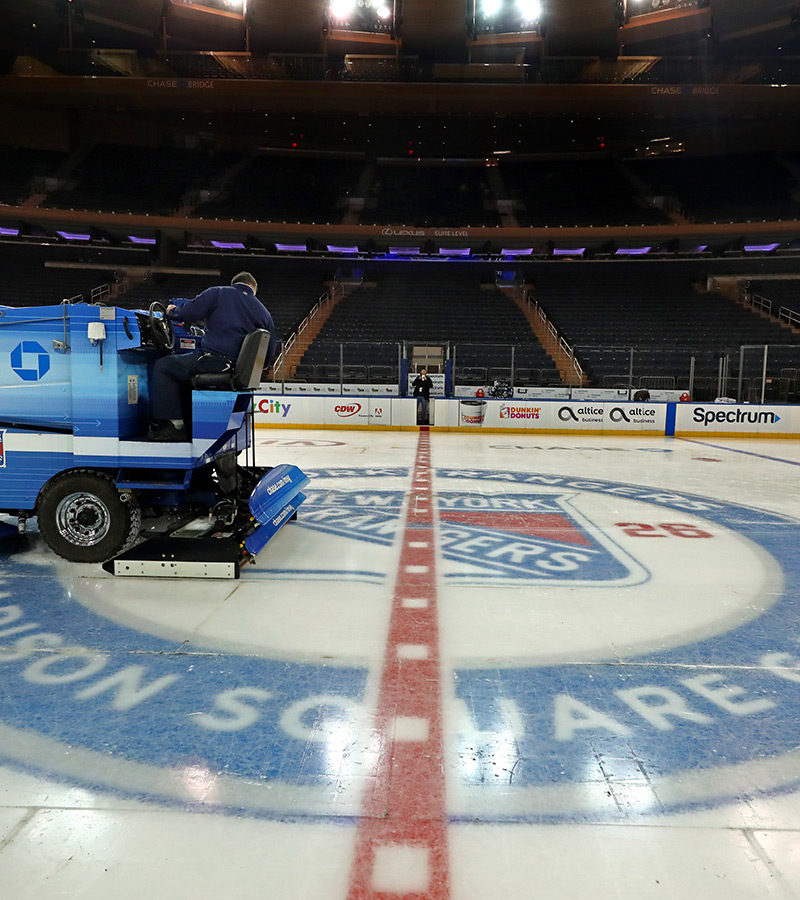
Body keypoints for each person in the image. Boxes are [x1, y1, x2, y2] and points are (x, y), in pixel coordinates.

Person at [148, 272, 277, 441]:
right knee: (183, 370)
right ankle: (188, 420)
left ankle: (175, 426)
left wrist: (172, 311)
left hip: (213, 361)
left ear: (234, 284)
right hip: (238, 369)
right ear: (253, 288)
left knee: (164, 366)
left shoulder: (218, 293)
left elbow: (189, 313)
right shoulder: (264, 313)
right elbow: (268, 356)